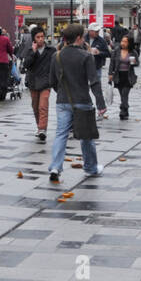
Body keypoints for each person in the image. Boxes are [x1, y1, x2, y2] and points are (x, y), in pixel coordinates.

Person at [48, 23, 103, 181]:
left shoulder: (56, 56)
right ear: (79, 38)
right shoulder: (86, 56)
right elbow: (94, 81)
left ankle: (55, 167)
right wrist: (101, 104)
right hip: (82, 100)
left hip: (62, 101)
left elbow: (52, 81)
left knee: (61, 134)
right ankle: (90, 168)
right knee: (86, 136)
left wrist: (62, 93)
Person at [23, 26, 54, 141]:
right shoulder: (30, 50)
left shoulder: (51, 50)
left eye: (42, 36)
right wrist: (34, 52)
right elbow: (25, 65)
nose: (41, 39)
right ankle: (39, 126)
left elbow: (55, 65)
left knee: (43, 106)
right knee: (35, 107)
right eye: (38, 37)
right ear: (34, 39)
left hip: (46, 82)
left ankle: (42, 129)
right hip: (33, 82)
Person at [109, 34, 140, 120]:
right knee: (122, 95)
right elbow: (112, 63)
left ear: (129, 43)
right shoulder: (116, 51)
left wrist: (133, 62)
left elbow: (137, 63)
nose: (123, 43)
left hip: (128, 76)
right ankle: (125, 110)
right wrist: (110, 74)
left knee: (124, 93)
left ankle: (123, 110)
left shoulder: (133, 52)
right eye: (122, 41)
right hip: (118, 75)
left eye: (125, 42)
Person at [85, 24, 110, 119]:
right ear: (89, 31)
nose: (97, 32)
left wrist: (99, 53)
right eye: (95, 31)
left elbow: (108, 53)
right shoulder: (83, 39)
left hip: (96, 68)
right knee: (84, 89)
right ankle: (87, 107)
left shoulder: (101, 40)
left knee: (97, 89)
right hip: (84, 68)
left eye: (98, 31)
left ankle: (101, 109)